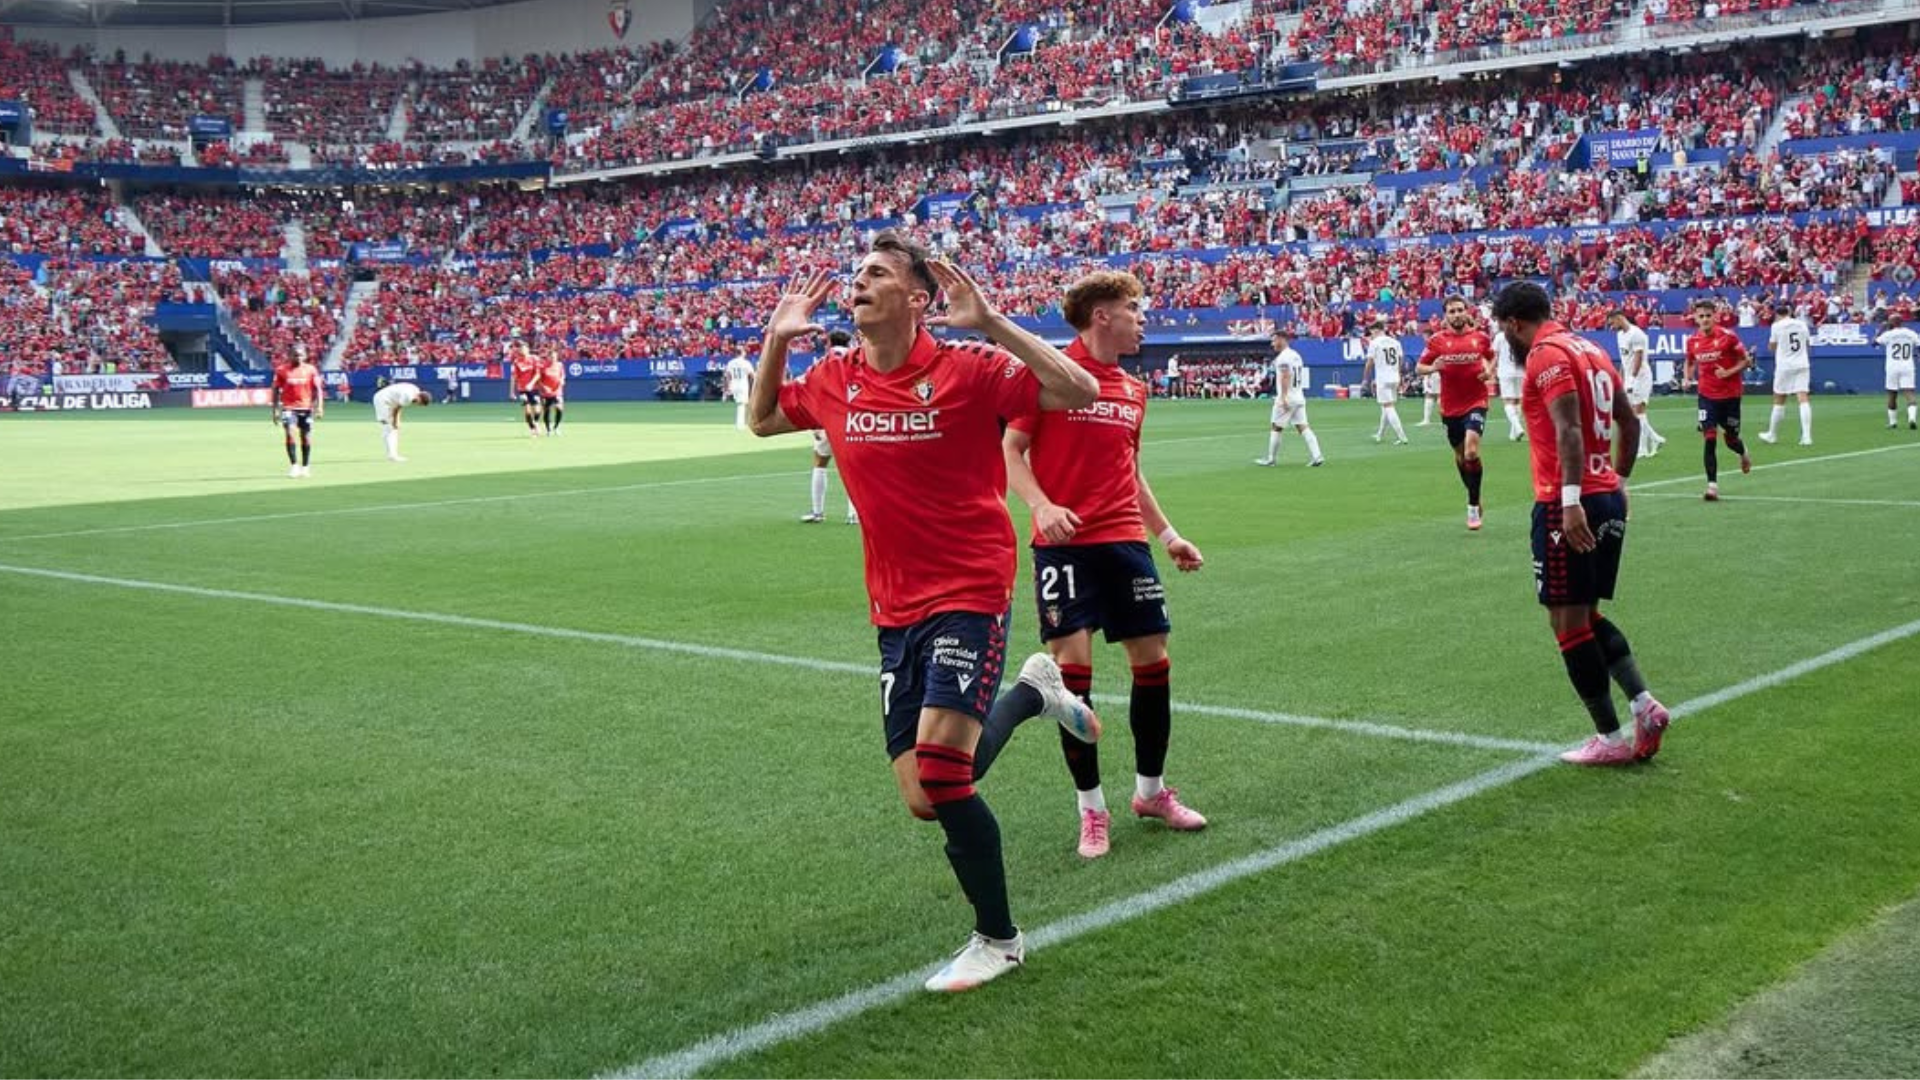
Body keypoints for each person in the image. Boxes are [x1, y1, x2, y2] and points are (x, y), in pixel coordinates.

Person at [747, 233, 1102, 992]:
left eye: (876, 274)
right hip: (893, 605)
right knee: (924, 797)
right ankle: (1035, 693)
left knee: (943, 773)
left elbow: (1079, 391)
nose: (857, 283)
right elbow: (763, 420)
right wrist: (776, 341)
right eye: (857, 274)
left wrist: (997, 324)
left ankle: (998, 939)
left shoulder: (967, 369)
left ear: (917, 298)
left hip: (970, 587)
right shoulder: (836, 376)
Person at [997, 270, 1208, 860]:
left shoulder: (1134, 391)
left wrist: (1167, 535)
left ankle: (1151, 792)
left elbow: (1131, 472)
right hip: (1063, 546)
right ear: (1101, 316)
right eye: (1133, 308)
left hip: (1124, 542)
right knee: (1073, 676)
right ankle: (1092, 811)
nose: (1143, 318)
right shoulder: (1050, 376)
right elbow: (1010, 451)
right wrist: (1042, 505)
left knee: (1153, 661)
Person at [1492, 282, 1670, 767]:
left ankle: (1610, 739)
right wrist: (1620, 478)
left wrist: (1570, 501)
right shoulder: (1590, 346)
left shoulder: (1546, 355)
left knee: (1566, 621)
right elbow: (1629, 422)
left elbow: (1568, 428)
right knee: (1585, 614)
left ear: (1512, 323)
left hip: (1567, 501)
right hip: (1605, 492)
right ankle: (1643, 705)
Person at [1414, 296, 1496, 531]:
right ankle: (1475, 496)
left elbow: (1491, 357)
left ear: (1466, 312)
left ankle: (1472, 507)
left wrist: (1489, 371)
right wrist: (1433, 368)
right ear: (1445, 315)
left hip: (1476, 401)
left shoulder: (1480, 338)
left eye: (1460, 310)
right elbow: (1420, 368)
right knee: (1461, 457)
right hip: (1450, 407)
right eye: (1452, 311)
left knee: (1471, 451)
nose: (1457, 314)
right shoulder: (1438, 341)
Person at [1681, 299, 1753, 501]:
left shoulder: (1728, 337)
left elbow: (1747, 360)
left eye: (1707, 315)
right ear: (1695, 318)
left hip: (1730, 395)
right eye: (1700, 316)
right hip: (1706, 396)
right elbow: (1689, 361)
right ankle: (1712, 486)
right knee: (1709, 437)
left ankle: (1743, 452)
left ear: (1715, 316)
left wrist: (1728, 372)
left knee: (1730, 439)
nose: (1704, 319)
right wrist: (1687, 377)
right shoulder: (1693, 341)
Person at [802, 329, 859, 524]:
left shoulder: (820, 364)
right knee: (854, 468)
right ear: (849, 343)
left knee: (820, 463)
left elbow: (810, 391)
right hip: (853, 420)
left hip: (827, 420)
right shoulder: (858, 360)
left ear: (828, 344)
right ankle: (853, 514)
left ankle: (818, 512)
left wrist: (814, 423)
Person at [1254, 328, 1324, 467]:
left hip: (1288, 397)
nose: (1272, 344)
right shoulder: (1296, 355)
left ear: (1282, 339)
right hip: (1298, 396)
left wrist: (1283, 397)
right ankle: (1317, 456)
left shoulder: (1283, 358)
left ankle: (1271, 459)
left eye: (1274, 340)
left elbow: (1286, 376)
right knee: (1303, 426)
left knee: (1276, 427)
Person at [1607, 310, 1664, 458]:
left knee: (1638, 412)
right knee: (1636, 413)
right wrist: (1620, 378)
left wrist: (1632, 378)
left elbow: (1638, 358)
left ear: (1619, 318)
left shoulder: (1636, 334)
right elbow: (1625, 359)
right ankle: (1653, 440)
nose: (1611, 327)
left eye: (1612, 323)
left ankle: (1643, 447)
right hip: (1629, 377)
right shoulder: (1620, 336)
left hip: (1641, 376)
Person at [1760, 303, 1813, 446]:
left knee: (1779, 399)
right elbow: (1808, 344)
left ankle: (1772, 434)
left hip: (1784, 365)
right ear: (1789, 312)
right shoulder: (1802, 324)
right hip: (1802, 363)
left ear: (1777, 314)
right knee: (1803, 398)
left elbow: (1772, 346)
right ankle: (1806, 436)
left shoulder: (1776, 326)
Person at [271, 345, 324, 478]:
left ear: (305, 356)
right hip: (289, 407)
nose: (298, 357)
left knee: (305, 437)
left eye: (300, 355)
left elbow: (318, 389)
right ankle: (294, 466)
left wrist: (319, 406)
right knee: (290, 433)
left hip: (306, 408)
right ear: (290, 356)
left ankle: (305, 466)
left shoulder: (311, 370)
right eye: (295, 355)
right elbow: (275, 390)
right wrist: (275, 410)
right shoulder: (281, 370)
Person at [1361, 320, 1409, 445]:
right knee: (1386, 406)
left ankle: (1402, 436)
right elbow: (1401, 360)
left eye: (1372, 331)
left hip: (1383, 378)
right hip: (1394, 376)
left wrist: (1365, 378)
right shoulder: (1395, 342)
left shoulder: (1374, 343)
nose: (1371, 333)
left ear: (1376, 330)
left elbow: (1369, 362)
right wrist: (1398, 374)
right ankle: (1380, 434)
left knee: (1388, 407)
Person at [372, 380, 432, 462]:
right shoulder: (408, 397)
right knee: (389, 427)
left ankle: (393, 454)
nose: (417, 405)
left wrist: (396, 423)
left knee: (392, 429)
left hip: (388, 399)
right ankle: (392, 456)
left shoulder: (415, 389)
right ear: (419, 398)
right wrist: (396, 422)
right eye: (419, 403)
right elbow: (397, 409)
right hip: (382, 400)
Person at [1880, 317, 1919, 429]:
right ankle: (1912, 418)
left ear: (1892, 323)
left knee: (1892, 394)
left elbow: (1874, 343)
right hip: (1907, 366)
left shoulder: (1888, 334)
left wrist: (1881, 329)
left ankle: (1893, 422)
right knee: (1909, 393)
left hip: (1892, 367)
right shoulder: (1911, 333)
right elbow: (1919, 345)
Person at [1494, 324, 1527, 441]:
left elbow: (1495, 355)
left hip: (1505, 372)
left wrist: (1491, 369)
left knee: (1508, 401)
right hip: (1520, 371)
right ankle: (1513, 432)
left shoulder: (1500, 337)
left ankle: (1517, 427)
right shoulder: (1521, 335)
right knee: (1518, 400)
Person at [509, 340, 544, 437]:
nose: (522, 350)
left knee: (537, 409)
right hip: (522, 389)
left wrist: (531, 383)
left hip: (534, 388)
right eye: (520, 348)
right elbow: (514, 377)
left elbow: (538, 374)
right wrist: (511, 392)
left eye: (523, 348)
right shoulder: (517, 361)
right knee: (527, 410)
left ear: (528, 349)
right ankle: (532, 428)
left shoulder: (534, 359)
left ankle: (536, 422)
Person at [725, 349, 755, 430]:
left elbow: (728, 376)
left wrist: (728, 387)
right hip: (742, 384)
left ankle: (740, 423)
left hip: (734, 384)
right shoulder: (745, 362)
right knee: (741, 404)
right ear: (742, 353)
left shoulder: (731, 362)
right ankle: (740, 425)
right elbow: (752, 375)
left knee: (740, 403)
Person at [539, 353, 567, 435]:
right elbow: (538, 380)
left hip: (557, 391)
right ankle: (548, 429)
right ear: (548, 358)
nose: (553, 359)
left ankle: (556, 427)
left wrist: (562, 380)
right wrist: (544, 387)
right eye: (551, 357)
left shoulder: (560, 365)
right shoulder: (543, 366)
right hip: (546, 393)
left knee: (559, 408)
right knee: (546, 411)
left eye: (554, 357)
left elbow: (562, 375)